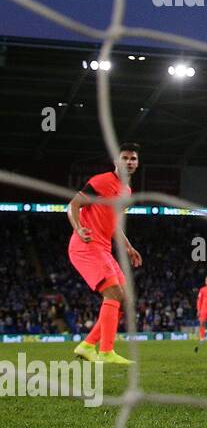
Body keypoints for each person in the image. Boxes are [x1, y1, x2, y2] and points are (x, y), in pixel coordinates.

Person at [69, 142, 144, 366]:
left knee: (125, 299)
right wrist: (78, 228)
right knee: (112, 294)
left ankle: (87, 345)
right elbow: (73, 205)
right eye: (125, 158)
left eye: (133, 159)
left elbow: (113, 224)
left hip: (103, 248)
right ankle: (106, 351)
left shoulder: (127, 191)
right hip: (86, 246)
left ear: (137, 163)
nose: (129, 162)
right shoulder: (101, 181)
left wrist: (129, 246)